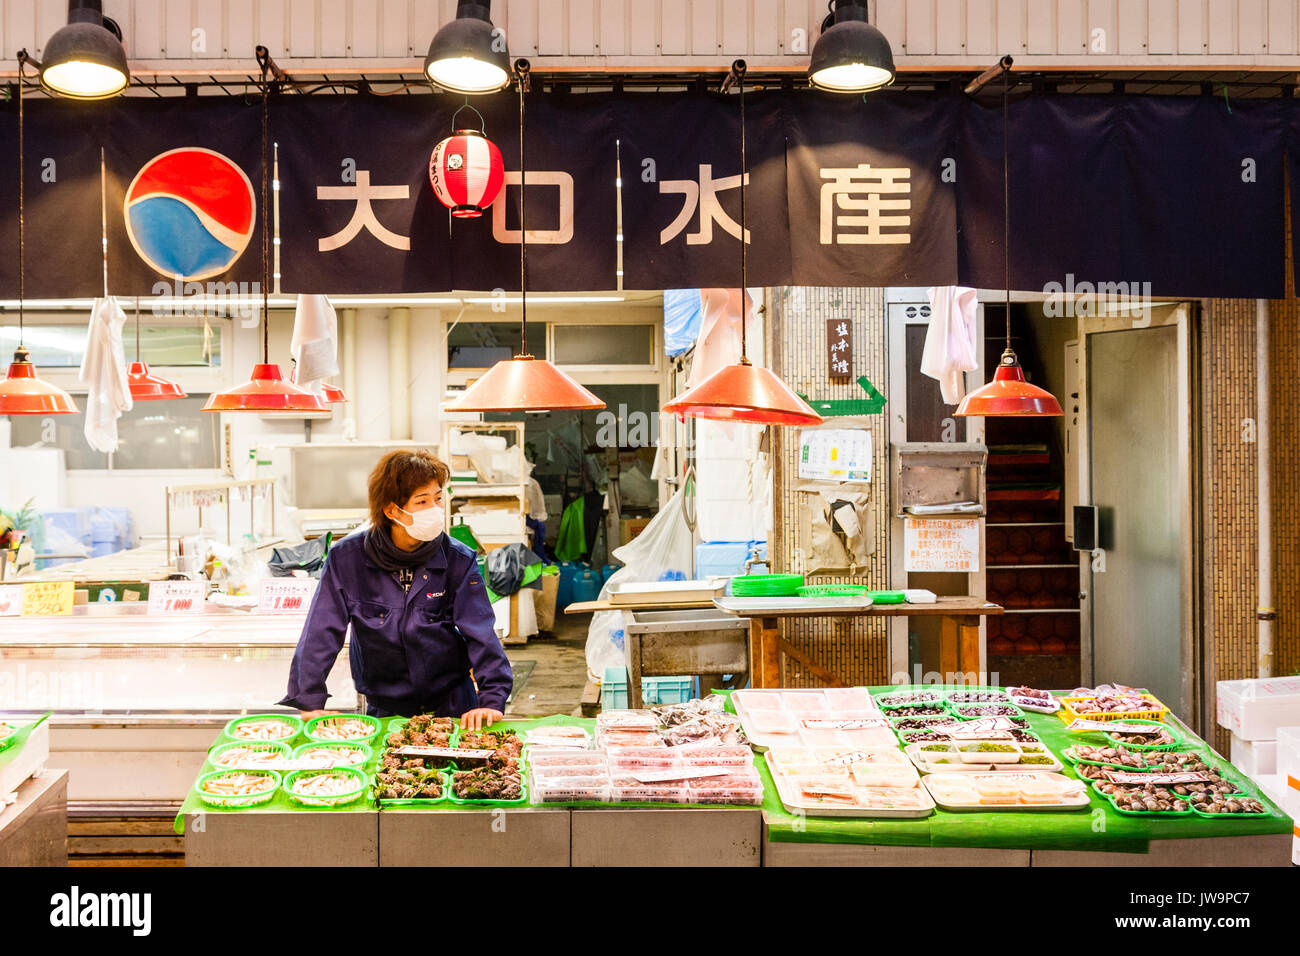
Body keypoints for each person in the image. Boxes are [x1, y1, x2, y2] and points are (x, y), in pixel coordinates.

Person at [279, 450, 512, 729]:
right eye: (422, 501)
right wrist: (309, 698)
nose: (435, 509)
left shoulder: (457, 560)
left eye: (438, 498)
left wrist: (491, 697)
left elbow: (480, 631)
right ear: (392, 511)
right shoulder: (347, 559)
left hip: (452, 702)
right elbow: (321, 630)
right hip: (386, 708)